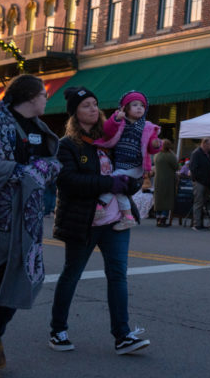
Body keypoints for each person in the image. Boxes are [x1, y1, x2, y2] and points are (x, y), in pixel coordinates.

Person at [0, 75, 60, 378]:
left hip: (28, 222)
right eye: (44, 95)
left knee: (20, 286)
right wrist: (24, 172)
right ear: (31, 96)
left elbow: (48, 165)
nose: (47, 100)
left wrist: (49, 168)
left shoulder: (40, 129)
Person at [49, 86, 149, 356]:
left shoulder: (113, 138)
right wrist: (109, 182)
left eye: (95, 103)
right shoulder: (67, 145)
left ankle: (123, 335)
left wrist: (132, 181)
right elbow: (68, 181)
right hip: (83, 221)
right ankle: (58, 329)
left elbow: (129, 166)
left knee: (118, 275)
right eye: (86, 106)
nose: (93, 109)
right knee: (72, 274)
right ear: (74, 114)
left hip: (115, 221)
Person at [102, 91, 161, 230]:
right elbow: (107, 131)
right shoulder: (119, 121)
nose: (139, 107)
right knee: (120, 190)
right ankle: (128, 217)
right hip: (120, 163)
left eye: (142, 105)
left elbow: (151, 143)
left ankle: (100, 205)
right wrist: (116, 119)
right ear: (125, 108)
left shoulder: (147, 126)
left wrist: (156, 144)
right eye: (135, 105)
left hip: (135, 165)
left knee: (113, 183)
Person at [189, 137, 210, 230]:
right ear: (204, 144)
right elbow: (193, 168)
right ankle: (197, 224)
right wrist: (198, 179)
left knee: (203, 203)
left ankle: (200, 222)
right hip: (200, 182)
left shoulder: (208, 154)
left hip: (207, 182)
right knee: (198, 202)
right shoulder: (196, 154)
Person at [151, 139, 178, 227]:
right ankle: (163, 219)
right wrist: (173, 154)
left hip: (157, 179)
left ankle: (158, 218)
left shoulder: (157, 155)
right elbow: (176, 166)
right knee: (167, 199)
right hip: (168, 180)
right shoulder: (170, 156)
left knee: (158, 199)